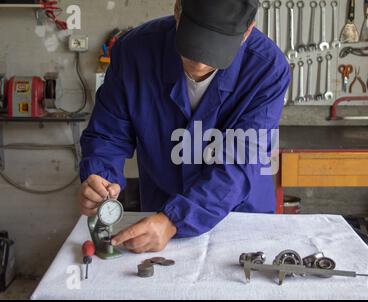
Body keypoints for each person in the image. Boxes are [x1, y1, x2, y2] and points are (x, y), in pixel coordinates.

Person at [79, 0, 290, 254]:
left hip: (239, 215)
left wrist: (175, 219)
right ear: (177, 11)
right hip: (159, 213)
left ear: (246, 32)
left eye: (215, 51)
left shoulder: (267, 68)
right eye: (192, 45)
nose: (200, 63)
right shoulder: (135, 52)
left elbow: (238, 164)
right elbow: (107, 134)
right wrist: (100, 178)